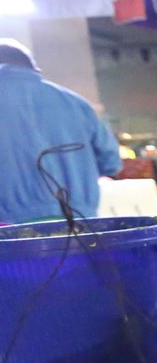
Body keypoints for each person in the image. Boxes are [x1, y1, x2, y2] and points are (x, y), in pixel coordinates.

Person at [0, 39, 121, 224]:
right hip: (78, 221)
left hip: (9, 227)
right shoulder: (76, 103)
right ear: (33, 69)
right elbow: (111, 162)